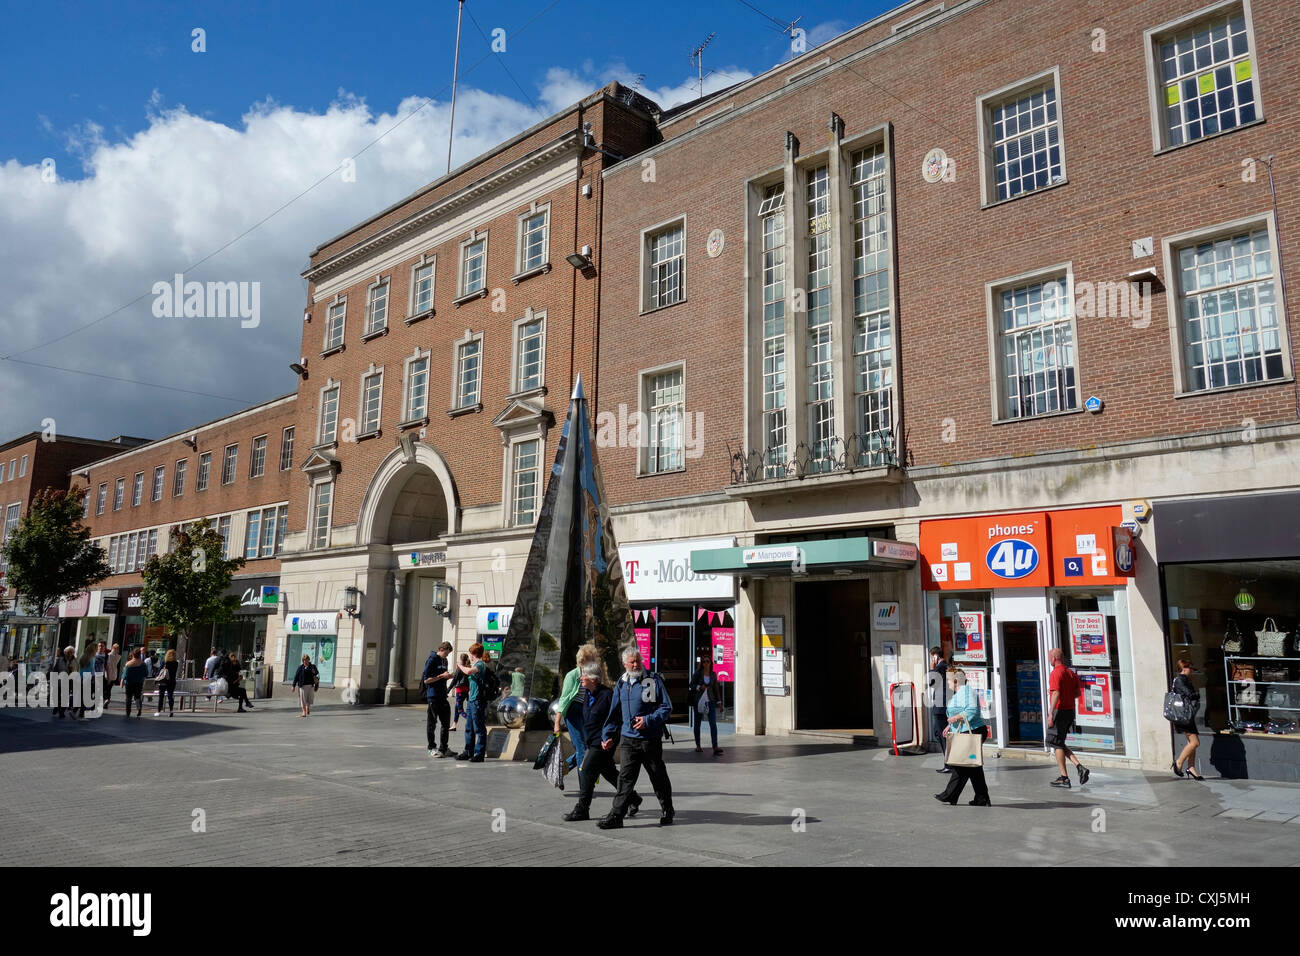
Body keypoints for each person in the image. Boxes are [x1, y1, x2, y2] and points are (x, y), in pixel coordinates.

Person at [597, 646, 674, 829]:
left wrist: (647, 720)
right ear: (625, 664)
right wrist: (607, 735)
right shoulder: (622, 684)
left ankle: (667, 809)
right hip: (628, 740)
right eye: (631, 662)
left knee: (657, 776)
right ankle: (616, 816)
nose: (636, 664)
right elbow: (614, 714)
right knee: (625, 778)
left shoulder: (652, 680)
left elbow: (666, 707)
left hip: (650, 740)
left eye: (638, 660)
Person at [563, 660, 642, 822]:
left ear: (593, 678)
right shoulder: (587, 694)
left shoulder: (607, 696)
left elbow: (616, 720)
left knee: (586, 770)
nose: (581, 678)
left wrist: (610, 738)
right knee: (609, 772)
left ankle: (582, 809)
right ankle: (633, 798)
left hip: (604, 742)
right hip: (592, 741)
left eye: (584, 675)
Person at [934, 668, 991, 806]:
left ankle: (950, 795)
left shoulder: (966, 691)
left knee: (961, 765)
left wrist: (954, 718)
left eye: (948, 679)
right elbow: (960, 712)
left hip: (973, 731)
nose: (946, 682)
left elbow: (972, 711)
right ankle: (981, 798)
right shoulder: (959, 692)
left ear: (955, 680)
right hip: (965, 730)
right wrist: (950, 725)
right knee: (972, 766)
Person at [554, 643, 603, 772]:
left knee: (588, 747)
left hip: (587, 712)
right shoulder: (572, 675)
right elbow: (564, 699)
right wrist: (557, 722)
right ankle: (584, 785)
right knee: (581, 747)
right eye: (589, 660)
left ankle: (563, 769)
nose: (592, 662)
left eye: (593, 659)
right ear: (582, 661)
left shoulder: (594, 675)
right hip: (574, 712)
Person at [1046, 647, 1089, 788]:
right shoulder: (1070, 673)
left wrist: (1050, 713)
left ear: (1053, 658)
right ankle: (1079, 767)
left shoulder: (1055, 673)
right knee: (1059, 741)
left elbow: (1056, 693)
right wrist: (1067, 695)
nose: (1049, 660)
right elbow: (1077, 693)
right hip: (1070, 711)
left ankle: (1064, 778)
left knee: (1056, 743)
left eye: (1049, 657)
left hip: (1059, 711)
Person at [453, 643, 489, 762]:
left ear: (475, 653)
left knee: (479, 728)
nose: (470, 656)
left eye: (471, 653)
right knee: (469, 727)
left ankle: (479, 753)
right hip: (471, 700)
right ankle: (468, 751)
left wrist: (459, 665)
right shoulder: (476, 664)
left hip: (477, 700)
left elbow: (468, 672)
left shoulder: (480, 665)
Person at [1171, 658, 1205, 780]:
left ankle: (1191, 768)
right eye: (1190, 669)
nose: (1192, 671)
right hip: (1184, 716)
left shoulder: (1182, 680)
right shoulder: (1180, 680)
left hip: (1187, 716)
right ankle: (1179, 762)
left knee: (1191, 743)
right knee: (1195, 743)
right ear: (1184, 669)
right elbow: (1190, 694)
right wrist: (1198, 694)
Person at [420, 642, 456, 755]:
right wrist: (441, 676)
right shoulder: (432, 660)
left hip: (442, 695)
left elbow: (443, 676)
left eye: (448, 654)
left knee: (445, 724)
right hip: (433, 696)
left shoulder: (444, 661)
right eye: (446, 653)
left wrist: (448, 676)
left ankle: (444, 748)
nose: (447, 656)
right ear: (441, 649)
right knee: (432, 723)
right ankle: (431, 747)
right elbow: (426, 680)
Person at [688, 655, 724, 755]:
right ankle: (698, 745)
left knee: (713, 724)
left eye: (708, 661)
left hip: (711, 701)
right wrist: (699, 687)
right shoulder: (698, 673)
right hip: (699, 701)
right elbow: (691, 685)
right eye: (704, 662)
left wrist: (719, 703)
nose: (706, 663)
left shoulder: (713, 674)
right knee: (697, 723)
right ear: (702, 663)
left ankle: (715, 746)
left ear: (711, 663)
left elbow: (716, 690)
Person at [928, 647, 951, 773]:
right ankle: (949, 762)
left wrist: (932, 667)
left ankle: (949, 763)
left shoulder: (940, 667)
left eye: (931, 656)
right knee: (939, 733)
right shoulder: (946, 666)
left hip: (941, 705)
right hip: (943, 704)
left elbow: (931, 683)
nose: (931, 659)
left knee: (941, 733)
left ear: (935, 656)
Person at [50, 645, 76, 718]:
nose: (70, 654)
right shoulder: (60, 660)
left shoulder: (75, 661)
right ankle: (56, 707)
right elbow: (55, 670)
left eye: (71, 652)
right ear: (65, 652)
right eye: (68, 652)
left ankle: (61, 712)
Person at [292, 653, 320, 719]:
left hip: (311, 685)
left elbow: (317, 674)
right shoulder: (300, 667)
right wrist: (293, 685)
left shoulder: (313, 666)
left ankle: (307, 707)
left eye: (307, 660)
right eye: (304, 660)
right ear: (303, 661)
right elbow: (296, 677)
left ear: (309, 660)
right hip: (303, 686)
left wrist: (314, 672)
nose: (306, 662)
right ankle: (304, 712)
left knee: (309, 699)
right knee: (303, 699)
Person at [121, 650, 147, 718]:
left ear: (132, 655)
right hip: (139, 683)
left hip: (129, 683)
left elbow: (125, 675)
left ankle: (128, 712)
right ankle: (138, 709)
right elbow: (146, 673)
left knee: (128, 697)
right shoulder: (143, 664)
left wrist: (122, 681)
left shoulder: (128, 664)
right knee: (137, 697)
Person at [154, 649, 180, 716]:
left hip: (164, 680)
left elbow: (160, 671)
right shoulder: (176, 663)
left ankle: (159, 711)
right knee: (170, 696)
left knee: (161, 696)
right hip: (172, 681)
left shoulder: (165, 662)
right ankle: (171, 711)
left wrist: (157, 676)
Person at [450, 654, 470, 731]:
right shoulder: (467, 668)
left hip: (460, 691)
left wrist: (448, 689)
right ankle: (454, 724)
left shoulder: (460, 669)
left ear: (461, 660)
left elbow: (454, 679)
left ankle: (470, 720)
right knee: (456, 707)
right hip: (466, 690)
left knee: (460, 709)